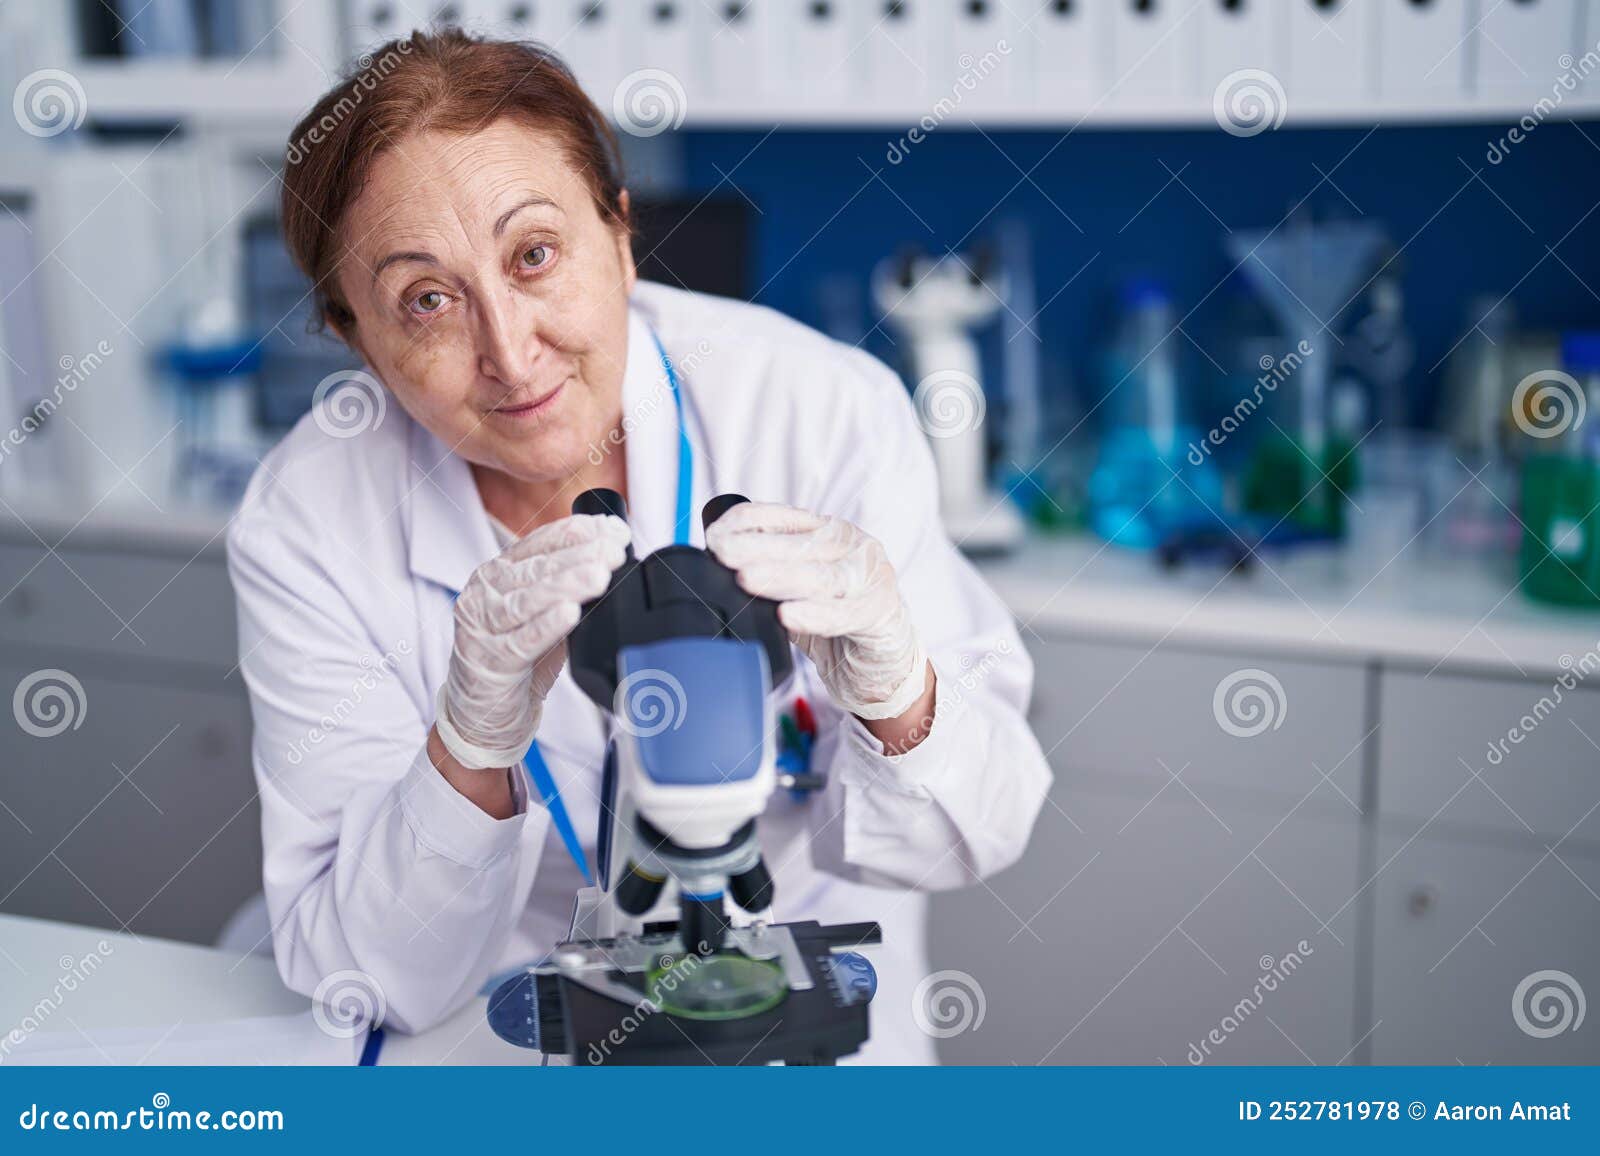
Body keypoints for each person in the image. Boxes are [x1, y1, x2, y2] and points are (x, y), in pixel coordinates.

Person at [228, 28, 1051, 1064]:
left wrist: (897, 693)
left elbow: (977, 830)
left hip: (798, 1045)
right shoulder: (309, 515)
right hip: (503, 1042)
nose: (509, 351)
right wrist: (469, 746)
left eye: (534, 255)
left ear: (618, 238)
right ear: (358, 338)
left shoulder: (814, 411)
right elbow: (361, 968)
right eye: (426, 302)